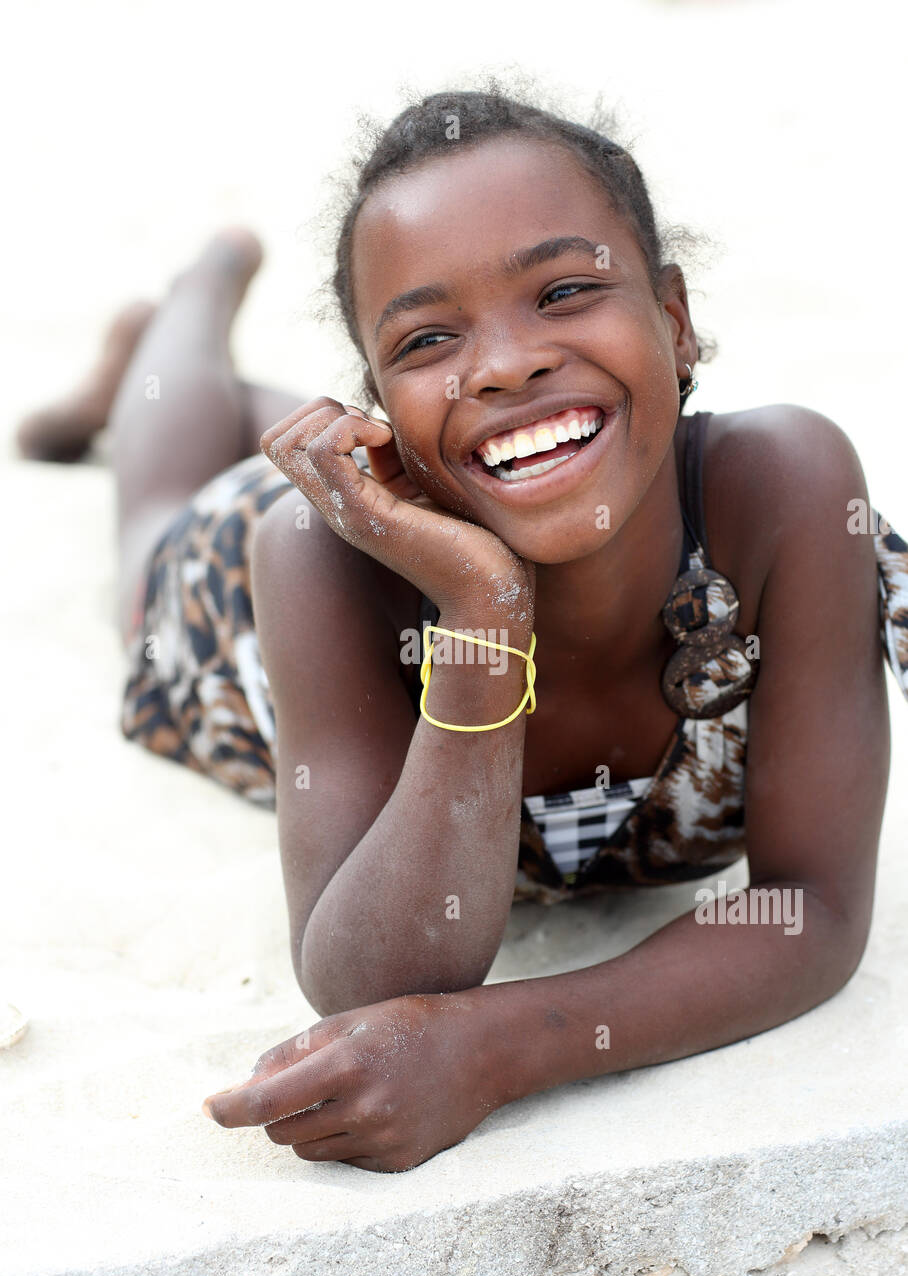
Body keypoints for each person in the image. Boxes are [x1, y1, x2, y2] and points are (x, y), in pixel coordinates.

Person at [19, 89, 908, 1173]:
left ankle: (214, 363)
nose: (501, 362)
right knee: (151, 529)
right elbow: (372, 979)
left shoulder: (787, 493)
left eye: (565, 290)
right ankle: (181, 320)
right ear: (382, 403)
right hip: (231, 603)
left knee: (508, 433)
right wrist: (484, 611)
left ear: (672, 318)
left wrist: (496, 1046)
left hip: (489, 463)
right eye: (428, 337)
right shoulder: (317, 559)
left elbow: (809, 906)